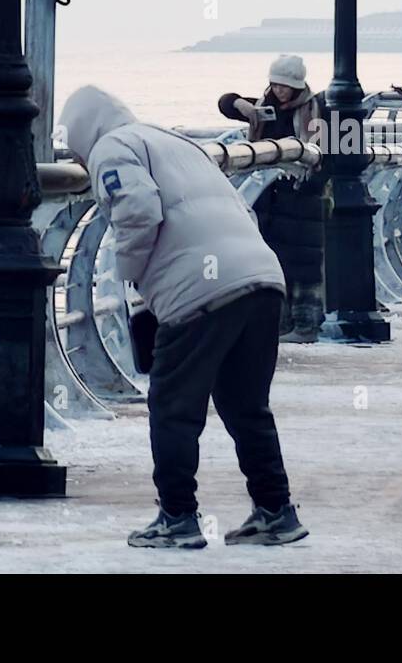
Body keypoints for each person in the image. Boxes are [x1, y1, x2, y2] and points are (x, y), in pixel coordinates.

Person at [58, 85, 309, 549]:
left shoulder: (112, 150)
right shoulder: (173, 142)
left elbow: (137, 211)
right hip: (260, 278)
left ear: (82, 132)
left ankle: (178, 517)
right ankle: (276, 510)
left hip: (200, 292)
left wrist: (132, 279)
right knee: (246, 406)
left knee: (173, 409)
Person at [218, 54, 326, 343]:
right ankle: (279, 323)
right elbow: (224, 103)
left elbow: (324, 154)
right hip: (267, 199)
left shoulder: (316, 110)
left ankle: (305, 325)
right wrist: (239, 102)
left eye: (285, 86)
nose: (279, 91)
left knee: (302, 262)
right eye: (275, 84)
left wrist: (308, 182)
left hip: (299, 197)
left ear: (298, 85)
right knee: (271, 260)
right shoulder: (262, 108)